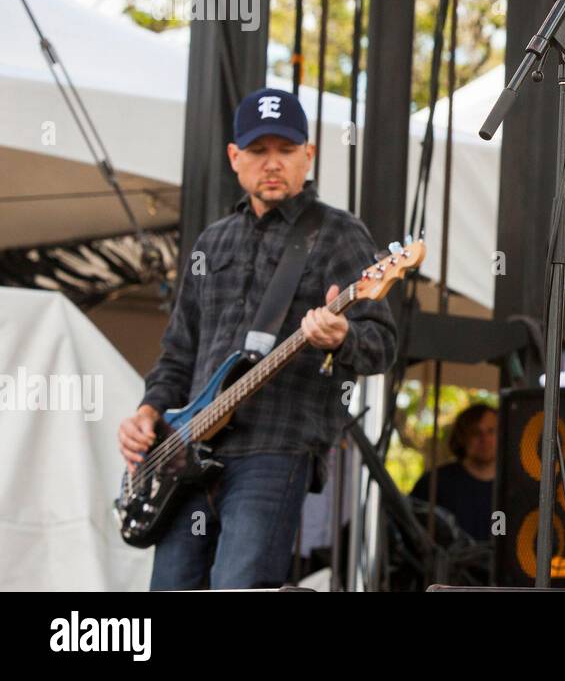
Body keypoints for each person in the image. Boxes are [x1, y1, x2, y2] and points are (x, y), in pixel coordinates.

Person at [117, 88, 397, 590]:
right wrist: (148, 412)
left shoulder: (338, 233)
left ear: (308, 156)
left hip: (275, 448)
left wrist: (340, 336)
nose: (273, 163)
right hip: (184, 455)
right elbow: (179, 352)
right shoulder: (213, 240)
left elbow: (382, 343)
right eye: (258, 151)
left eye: (286, 151)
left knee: (240, 587)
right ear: (234, 158)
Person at [410, 404, 498, 542]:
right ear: (462, 438)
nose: (484, 439)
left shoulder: (512, 489)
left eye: (491, 431)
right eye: (476, 432)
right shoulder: (434, 483)